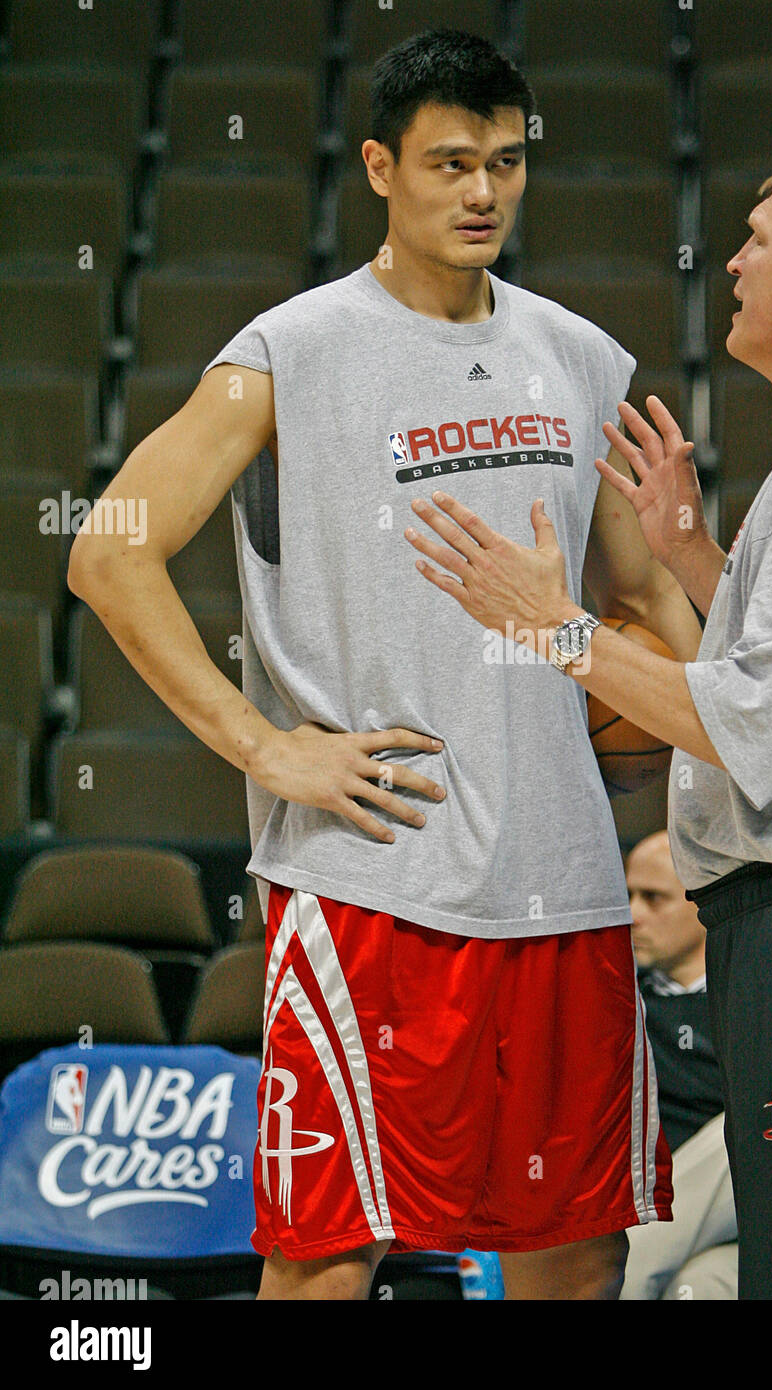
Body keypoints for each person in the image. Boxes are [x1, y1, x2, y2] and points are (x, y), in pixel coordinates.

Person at [68, 29, 706, 1300]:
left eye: (508, 164)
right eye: (451, 163)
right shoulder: (288, 351)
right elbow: (109, 551)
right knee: (323, 1254)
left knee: (578, 1249)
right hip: (372, 879)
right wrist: (262, 745)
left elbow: (642, 597)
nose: (483, 194)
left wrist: (723, 776)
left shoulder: (578, 356)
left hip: (565, 882)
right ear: (379, 166)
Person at [405, 150, 772, 1300]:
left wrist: (556, 625)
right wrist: (690, 556)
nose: (731, 258)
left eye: (759, 238)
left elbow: (760, 726)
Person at [620, 831, 737, 1301]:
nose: (631, 915)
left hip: (751, 1195)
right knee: (700, 1287)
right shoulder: (616, 1000)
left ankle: (618, 1276)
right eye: (627, 895)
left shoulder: (755, 998)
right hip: (652, 1207)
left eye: (653, 898)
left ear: (705, 904)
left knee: (748, 1125)